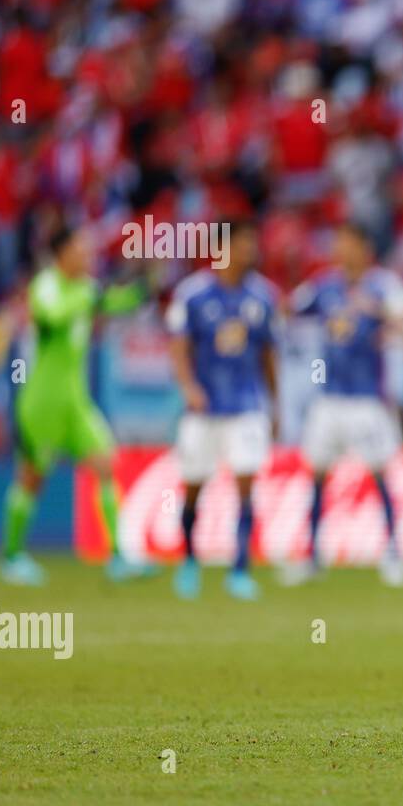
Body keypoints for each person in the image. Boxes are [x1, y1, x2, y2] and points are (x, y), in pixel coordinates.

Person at [0, 225, 151, 585]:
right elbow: (51, 315)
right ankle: (11, 557)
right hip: (42, 402)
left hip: (76, 401)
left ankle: (119, 557)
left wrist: (143, 287)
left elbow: (115, 302)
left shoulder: (86, 288)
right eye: (81, 249)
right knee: (32, 478)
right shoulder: (46, 285)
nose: (87, 256)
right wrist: (91, 298)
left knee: (104, 464)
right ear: (62, 253)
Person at [284, 223, 403, 586]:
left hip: (367, 398)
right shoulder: (324, 285)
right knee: (318, 473)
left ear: (363, 246)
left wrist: (375, 311)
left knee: (380, 472)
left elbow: (402, 321)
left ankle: (392, 552)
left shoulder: (383, 286)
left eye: (345, 242)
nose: (339, 248)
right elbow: (290, 309)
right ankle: (311, 555)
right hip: (329, 397)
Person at [166, 221, 279, 601]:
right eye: (245, 242)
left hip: (246, 404)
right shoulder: (192, 295)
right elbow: (179, 347)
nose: (251, 249)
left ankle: (240, 569)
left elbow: (268, 354)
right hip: (204, 408)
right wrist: (188, 386)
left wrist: (274, 402)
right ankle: (189, 560)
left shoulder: (263, 296)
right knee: (194, 487)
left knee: (247, 483)